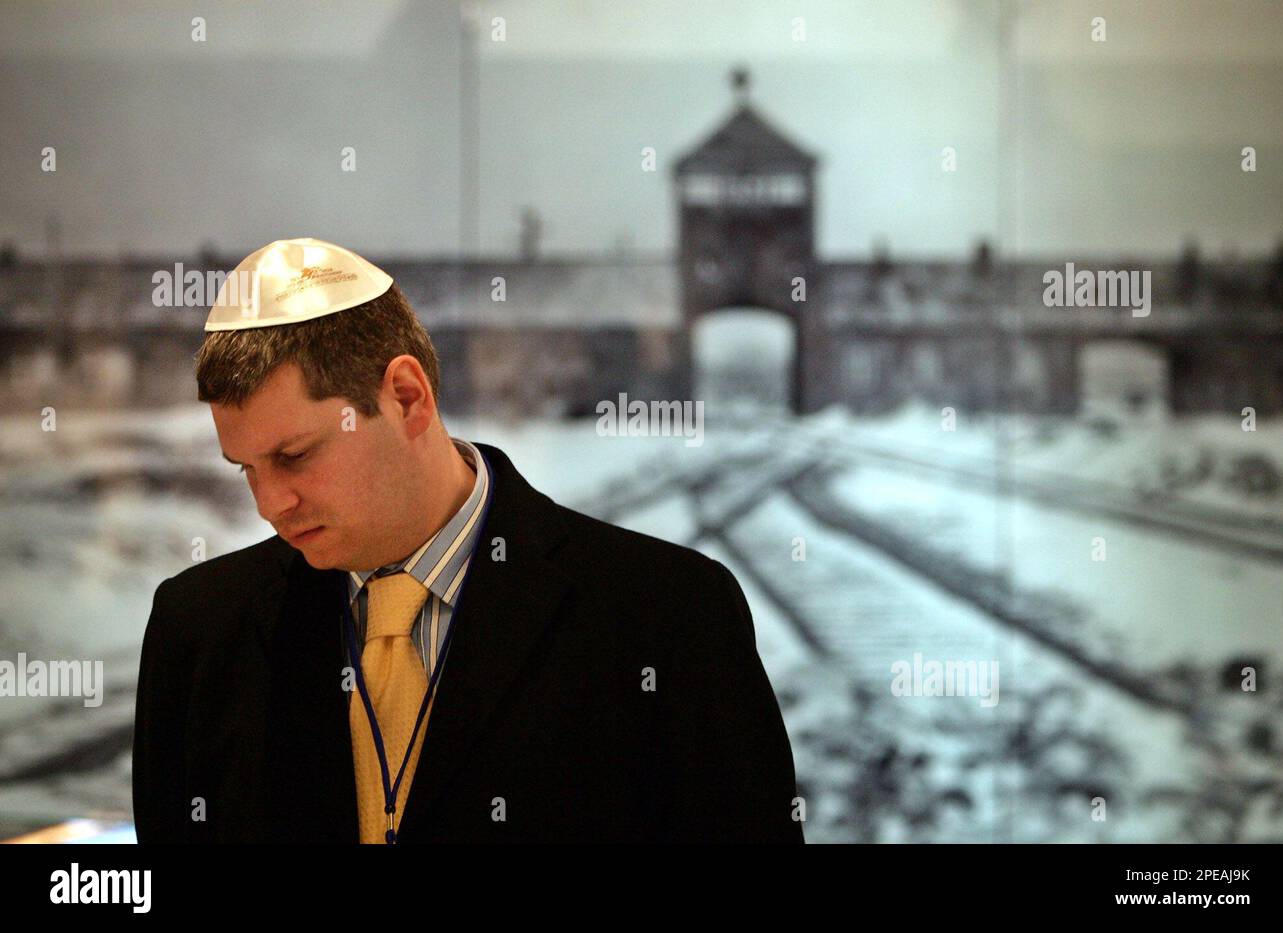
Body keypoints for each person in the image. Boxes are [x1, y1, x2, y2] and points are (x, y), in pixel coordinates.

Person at [131, 237, 804, 843]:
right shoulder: (198, 629)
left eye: (296, 455)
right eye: (245, 467)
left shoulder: (667, 617)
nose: (269, 504)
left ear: (406, 395)